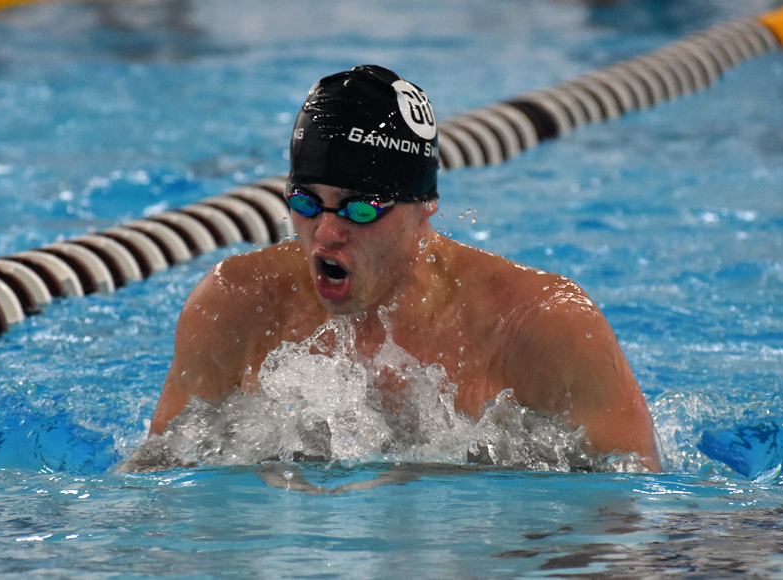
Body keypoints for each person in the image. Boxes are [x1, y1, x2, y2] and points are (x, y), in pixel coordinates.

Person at [144, 64, 662, 472]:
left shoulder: (542, 325)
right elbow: (156, 484)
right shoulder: (234, 304)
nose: (325, 233)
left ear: (423, 206)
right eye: (306, 202)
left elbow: (633, 510)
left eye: (360, 209)